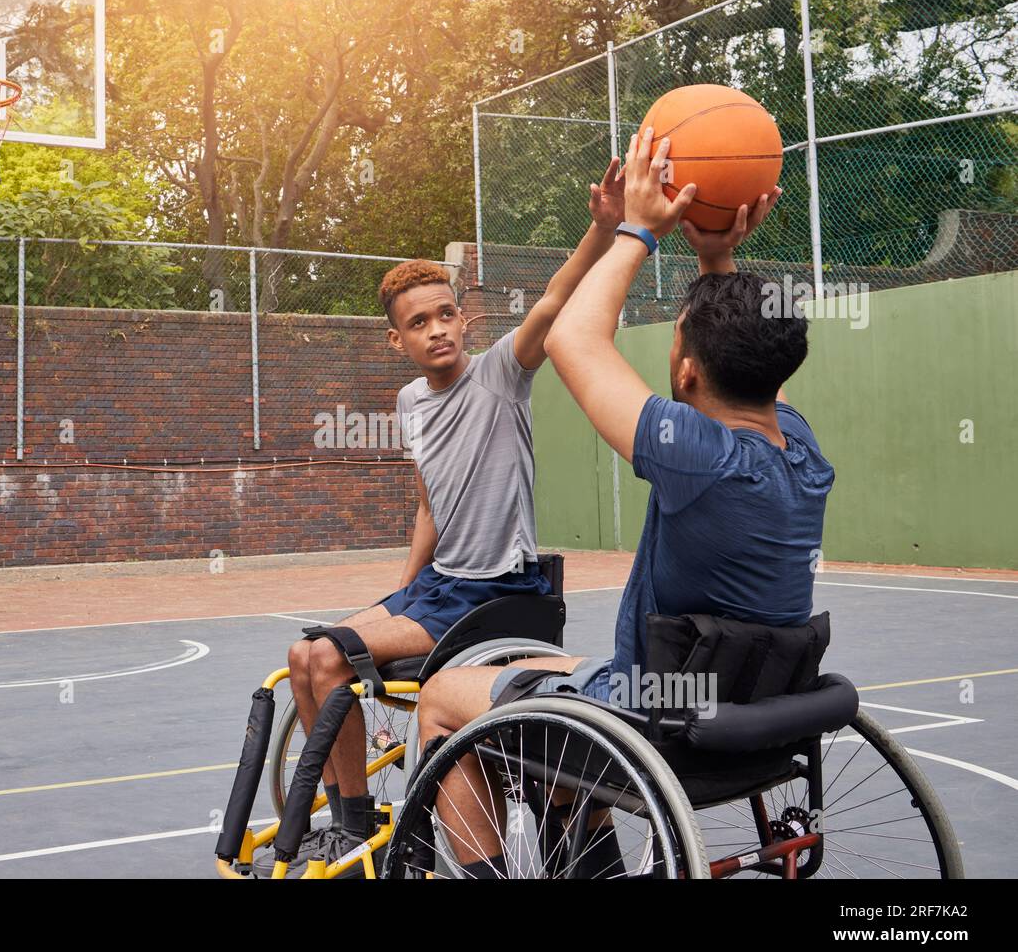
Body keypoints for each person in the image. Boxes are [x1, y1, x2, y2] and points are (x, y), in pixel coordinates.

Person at [415, 126, 831, 878]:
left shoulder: (693, 453)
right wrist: (715, 256)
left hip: (656, 714)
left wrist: (641, 225)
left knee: (443, 698)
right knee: (546, 665)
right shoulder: (801, 451)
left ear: (686, 370)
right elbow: (746, 366)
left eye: (678, 340)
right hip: (744, 714)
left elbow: (576, 334)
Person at [256, 160, 632, 876]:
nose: (437, 330)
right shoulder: (409, 403)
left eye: (445, 314)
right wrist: (397, 595)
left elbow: (553, 304)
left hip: (499, 593)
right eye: (418, 323)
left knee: (331, 656)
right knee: (304, 655)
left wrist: (603, 226)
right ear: (397, 340)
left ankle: (355, 823)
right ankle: (348, 817)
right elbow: (429, 501)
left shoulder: (500, 374)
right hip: (438, 587)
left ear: (465, 319)